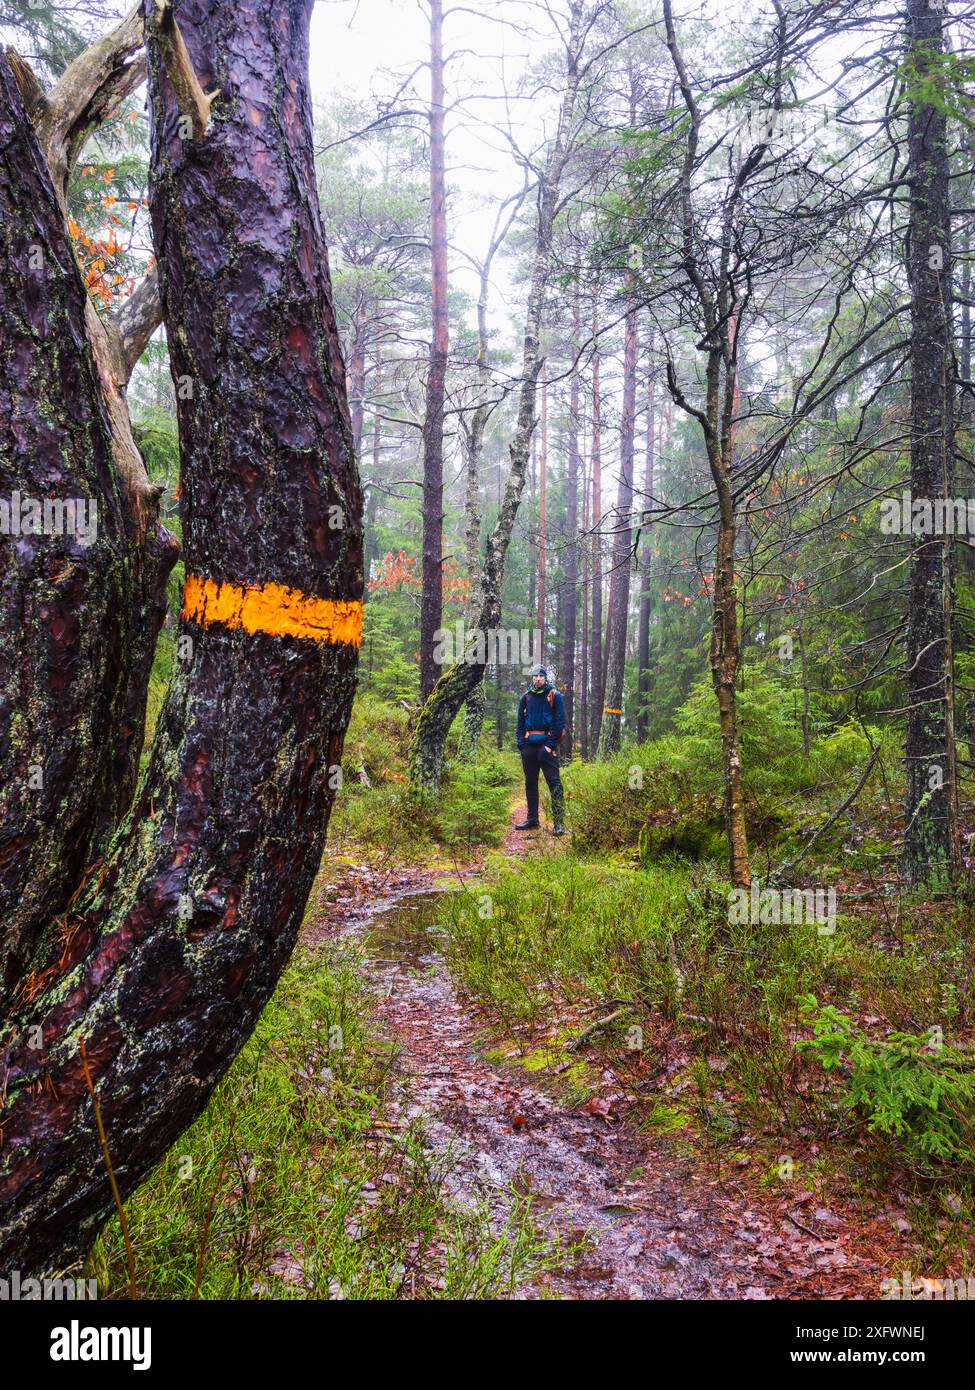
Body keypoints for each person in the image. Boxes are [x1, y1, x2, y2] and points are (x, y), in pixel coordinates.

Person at [515, 664, 566, 834]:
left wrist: (550, 745)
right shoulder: (526, 697)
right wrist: (521, 745)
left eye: (541, 676)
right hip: (529, 746)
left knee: (555, 784)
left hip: (547, 747)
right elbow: (519, 723)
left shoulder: (554, 695)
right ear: (532, 678)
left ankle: (559, 824)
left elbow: (560, 722)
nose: (538, 678)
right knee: (530, 783)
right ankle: (532, 820)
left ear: (545, 678)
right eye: (535, 675)